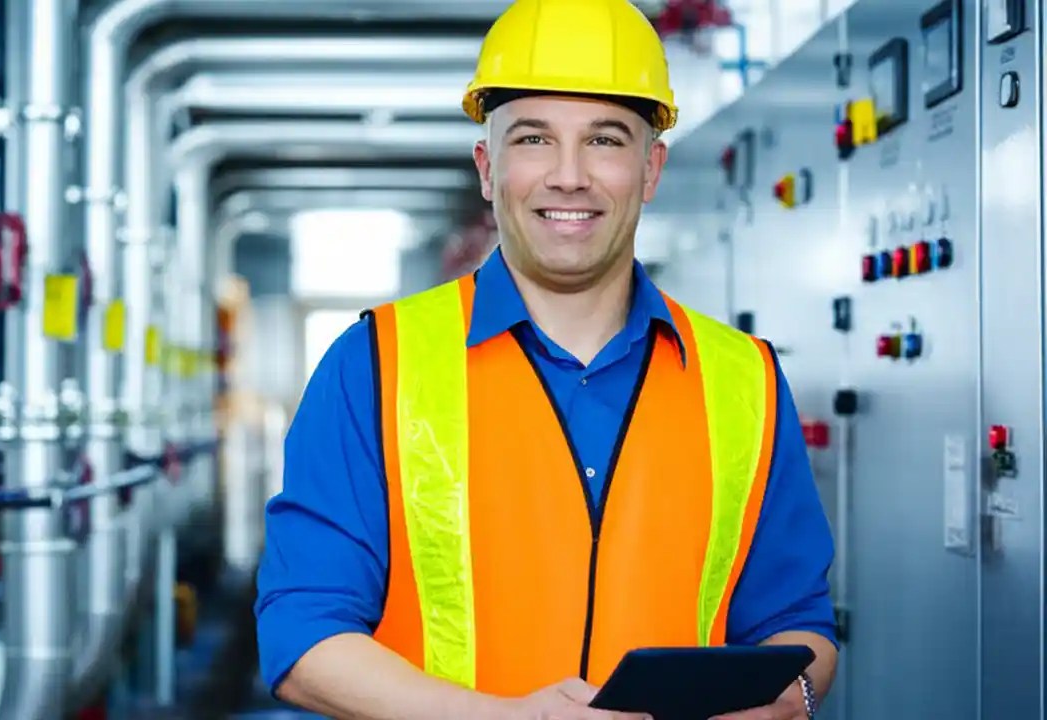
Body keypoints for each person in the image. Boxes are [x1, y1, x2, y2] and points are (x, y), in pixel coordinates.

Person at [254, 0, 839, 718]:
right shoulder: (374, 366)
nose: (569, 176)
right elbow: (302, 637)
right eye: (533, 138)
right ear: (487, 166)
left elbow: (797, 619)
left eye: (605, 140)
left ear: (651, 169)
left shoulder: (743, 377)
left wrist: (790, 702)